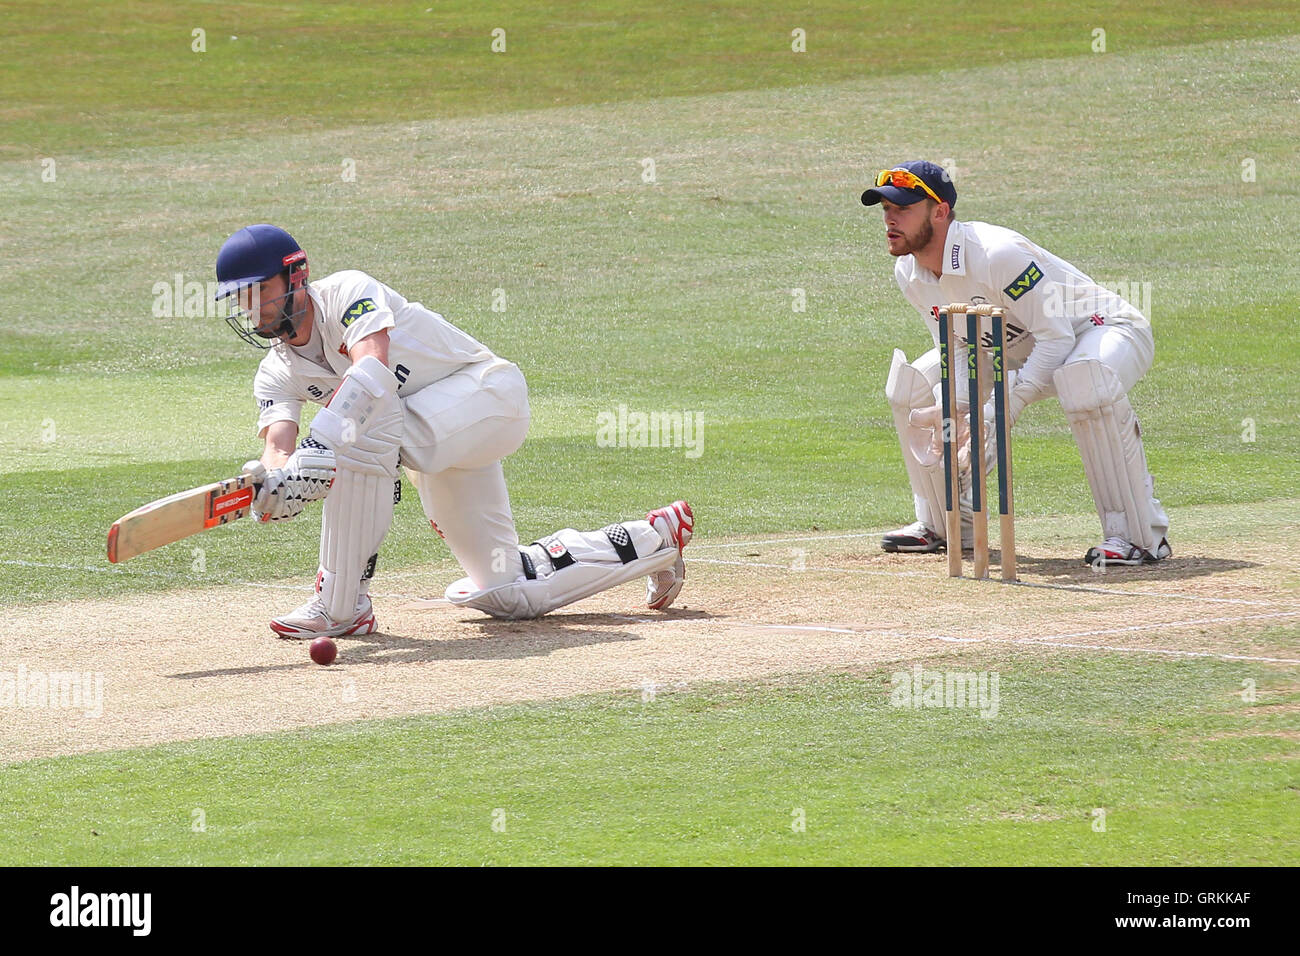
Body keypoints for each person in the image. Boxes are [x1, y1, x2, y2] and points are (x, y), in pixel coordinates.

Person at [212, 224, 693, 637]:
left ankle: (341, 605)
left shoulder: (347, 293)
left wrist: (320, 449)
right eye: (240, 297)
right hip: (430, 441)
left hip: (488, 398)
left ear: (296, 274)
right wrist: (276, 484)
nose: (250, 306)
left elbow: (372, 371)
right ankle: (655, 540)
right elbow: (278, 445)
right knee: (507, 592)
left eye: (258, 289)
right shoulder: (275, 372)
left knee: (367, 421)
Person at [862, 161, 1170, 566]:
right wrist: (956, 408)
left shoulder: (996, 254)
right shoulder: (910, 271)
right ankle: (948, 524)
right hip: (1008, 352)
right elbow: (955, 346)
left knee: (1085, 383)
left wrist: (1003, 407)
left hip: (1097, 332)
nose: (889, 219)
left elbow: (1056, 336)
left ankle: (1138, 537)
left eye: (902, 208)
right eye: (885, 209)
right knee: (911, 385)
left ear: (939, 211)